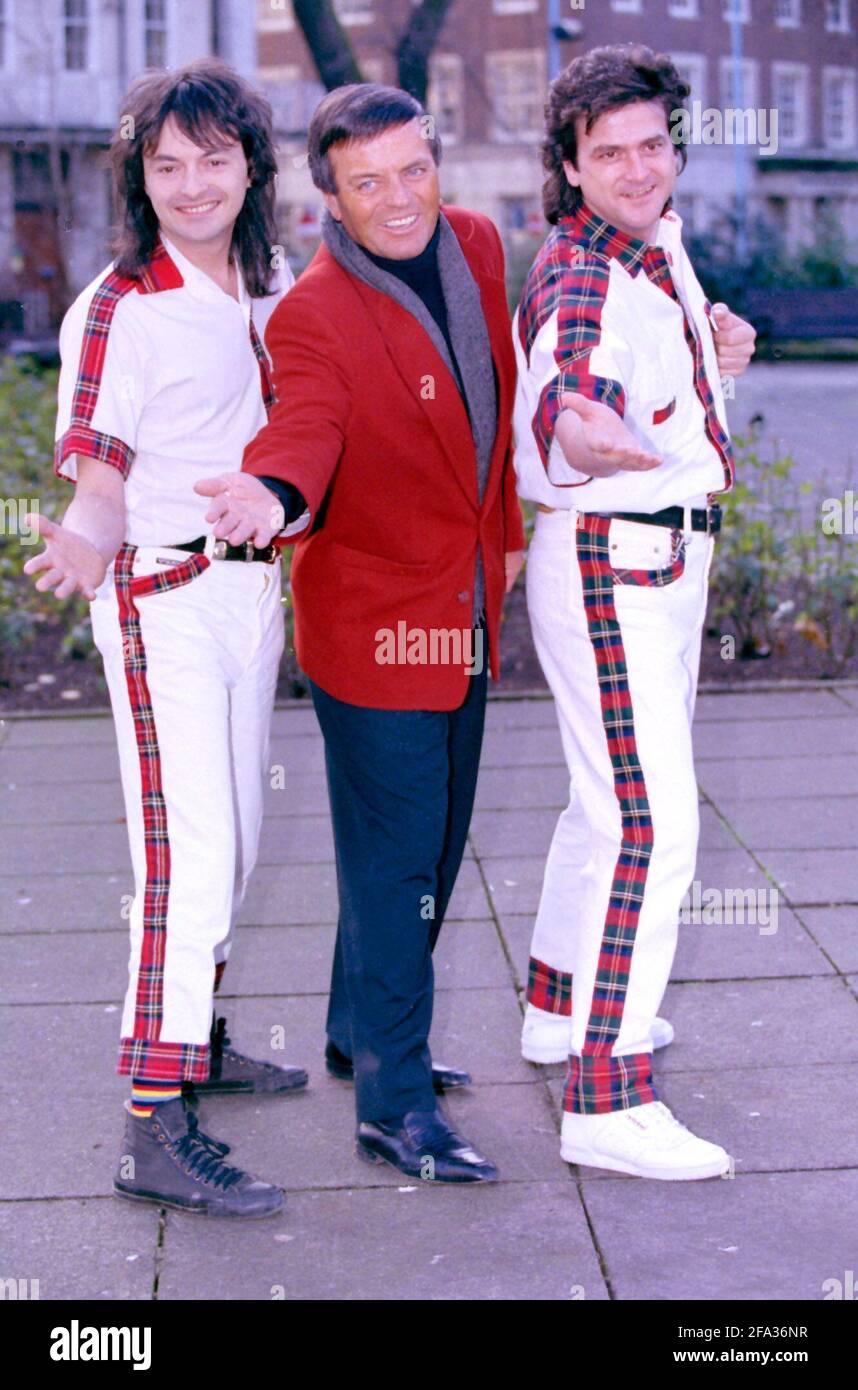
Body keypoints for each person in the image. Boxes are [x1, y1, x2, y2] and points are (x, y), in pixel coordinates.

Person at [196, 83, 526, 1183]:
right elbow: (309, 427)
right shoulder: (314, 314)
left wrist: (508, 537)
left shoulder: (477, 244)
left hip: (467, 601)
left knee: (426, 853)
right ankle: (393, 1106)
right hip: (377, 627)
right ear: (328, 194)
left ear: (436, 159)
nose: (399, 199)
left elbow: (495, 405)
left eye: (413, 169)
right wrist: (269, 494)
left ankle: (352, 1028)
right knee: (400, 870)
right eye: (368, 182)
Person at [23, 60, 309, 1219]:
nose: (192, 184)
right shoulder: (117, 306)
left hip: (252, 597)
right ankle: (152, 1115)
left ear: (251, 165)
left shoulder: (270, 278)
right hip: (159, 604)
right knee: (183, 861)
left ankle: (193, 1034)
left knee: (233, 848)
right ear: (141, 177)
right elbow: (98, 466)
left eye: (214, 159)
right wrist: (89, 532)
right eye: (167, 164)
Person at [513, 45, 756, 1179]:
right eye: (607, 152)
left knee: (603, 804)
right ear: (570, 163)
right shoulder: (584, 269)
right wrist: (581, 425)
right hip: (618, 559)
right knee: (652, 827)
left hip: (646, 558)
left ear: (675, 147)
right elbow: (573, 376)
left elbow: (645, 379)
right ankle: (605, 1100)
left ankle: (562, 1009)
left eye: (653, 145)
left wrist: (718, 365)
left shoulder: (655, 247)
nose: (636, 167)